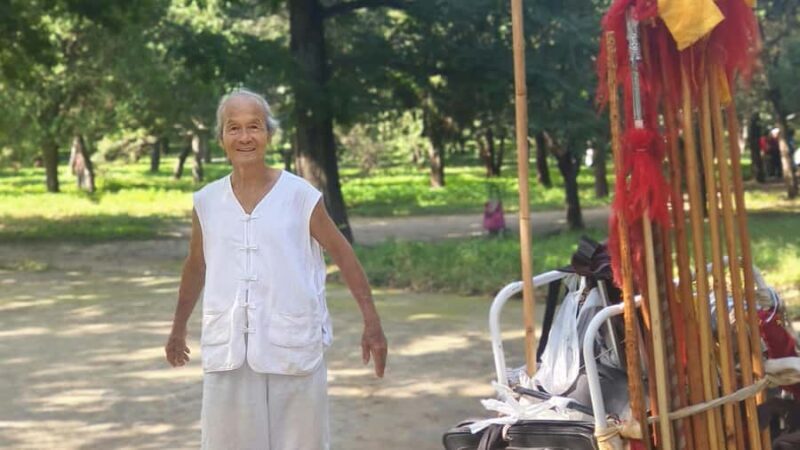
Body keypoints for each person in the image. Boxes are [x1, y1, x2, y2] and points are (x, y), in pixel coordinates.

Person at [164, 88, 388, 450]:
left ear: (268, 134)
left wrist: (372, 324)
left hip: (292, 346)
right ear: (221, 138)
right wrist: (177, 329)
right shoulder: (206, 202)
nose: (244, 137)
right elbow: (196, 266)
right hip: (230, 351)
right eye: (233, 128)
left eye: (254, 126)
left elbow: (344, 255)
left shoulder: (300, 196)